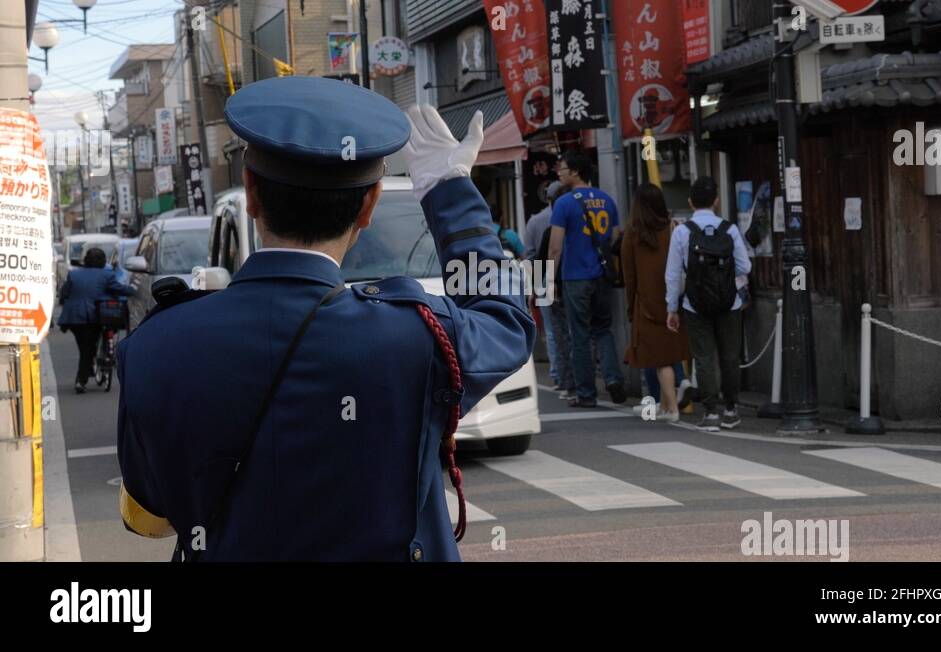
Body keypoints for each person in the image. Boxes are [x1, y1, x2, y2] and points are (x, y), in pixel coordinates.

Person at [116, 78, 535, 561]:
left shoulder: (156, 345)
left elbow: (148, 513)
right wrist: (450, 193)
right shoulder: (419, 334)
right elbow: (506, 321)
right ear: (369, 205)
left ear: (250, 192)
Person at [666, 177, 752, 431]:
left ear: (690, 202)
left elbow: (673, 274)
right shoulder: (730, 229)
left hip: (695, 303)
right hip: (729, 303)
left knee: (704, 357)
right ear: (716, 201)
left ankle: (711, 412)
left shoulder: (682, 231)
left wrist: (672, 308)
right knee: (729, 356)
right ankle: (731, 410)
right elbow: (745, 266)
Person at [547, 150, 626, 407]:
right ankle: (613, 379)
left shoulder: (564, 203)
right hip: (602, 276)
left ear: (577, 171)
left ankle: (586, 393)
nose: (560, 171)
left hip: (575, 276)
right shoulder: (607, 200)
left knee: (579, 335)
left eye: (564, 167)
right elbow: (615, 239)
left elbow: (555, 247)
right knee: (603, 330)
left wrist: (548, 280)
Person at [621, 184, 691, 422]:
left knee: (660, 360)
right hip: (673, 300)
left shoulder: (632, 234)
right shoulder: (672, 228)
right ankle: (663, 404)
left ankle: (672, 409)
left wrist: (631, 306)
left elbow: (629, 276)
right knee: (669, 354)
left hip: (646, 302)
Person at [57, 246, 133, 394]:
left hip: (73, 317)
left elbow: (64, 293)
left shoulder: (74, 274)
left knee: (84, 347)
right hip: (94, 316)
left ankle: (87, 369)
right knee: (88, 348)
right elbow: (118, 289)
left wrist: (66, 300)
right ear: (103, 261)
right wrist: (133, 290)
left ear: (85, 261)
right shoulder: (107, 275)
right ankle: (81, 380)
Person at [527, 181, 575, 398]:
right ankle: (579, 379)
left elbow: (532, 255)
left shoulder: (538, 223)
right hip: (575, 280)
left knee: (555, 334)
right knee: (578, 335)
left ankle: (561, 377)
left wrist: (536, 287)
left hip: (549, 282)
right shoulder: (577, 220)